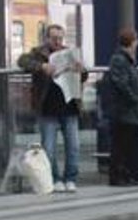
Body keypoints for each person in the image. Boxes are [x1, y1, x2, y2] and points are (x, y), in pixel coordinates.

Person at [18, 24, 88, 193]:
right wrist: (41, 67)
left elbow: (83, 75)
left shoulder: (69, 53)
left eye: (60, 38)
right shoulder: (38, 53)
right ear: (47, 38)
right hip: (48, 108)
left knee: (73, 146)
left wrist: (81, 69)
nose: (57, 41)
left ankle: (70, 178)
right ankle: (55, 178)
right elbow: (22, 61)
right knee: (49, 147)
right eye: (54, 38)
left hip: (69, 106)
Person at [106, 28, 138, 186]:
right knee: (120, 144)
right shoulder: (120, 59)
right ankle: (117, 175)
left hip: (128, 110)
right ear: (132, 42)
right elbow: (121, 83)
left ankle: (125, 173)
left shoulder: (127, 59)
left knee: (126, 144)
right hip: (123, 110)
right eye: (136, 40)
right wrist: (134, 97)